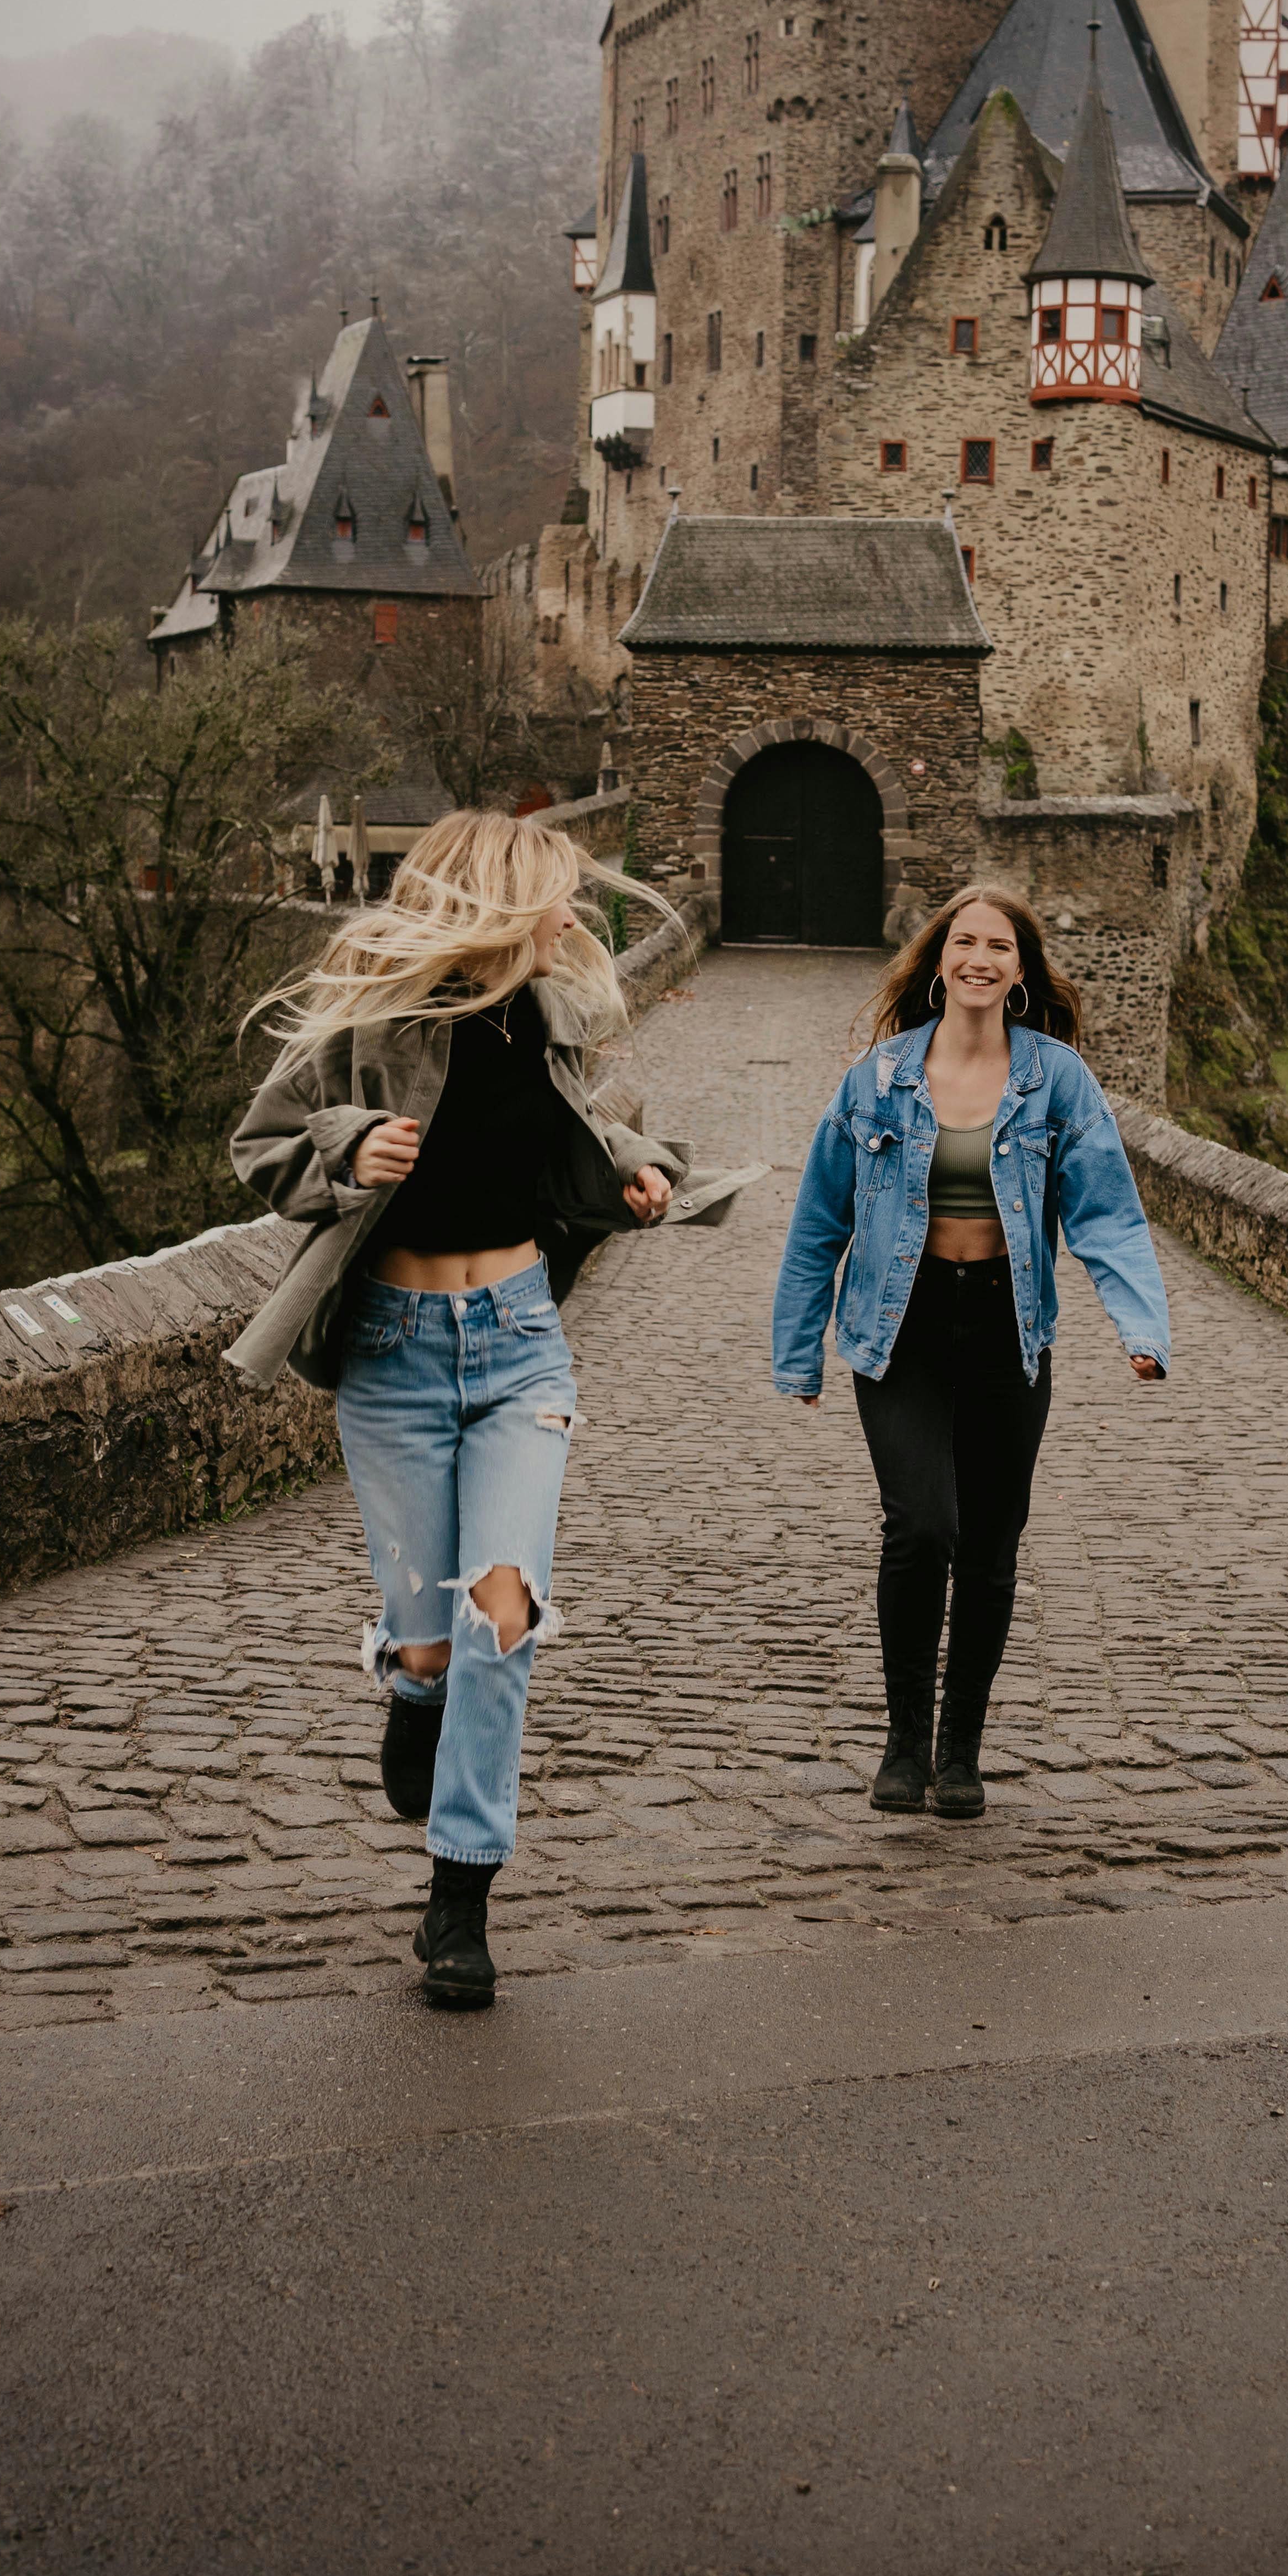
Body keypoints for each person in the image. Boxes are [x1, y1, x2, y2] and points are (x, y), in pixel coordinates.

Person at [227, 808, 751, 2009]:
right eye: (555, 899)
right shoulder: (370, 1018)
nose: (573, 919)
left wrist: (640, 1165)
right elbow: (260, 1146)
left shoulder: (551, 1017)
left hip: (520, 1350)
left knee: (501, 1616)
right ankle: (412, 1688)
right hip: (392, 1360)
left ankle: (459, 1894)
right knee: (432, 1642)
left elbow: (575, 1128)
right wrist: (349, 1147)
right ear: (504, 906)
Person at [772, 885, 1170, 1820]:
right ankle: (903, 1741)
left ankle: (961, 1752)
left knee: (990, 1549)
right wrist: (799, 1353)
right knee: (923, 1527)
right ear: (940, 959)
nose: (981, 957)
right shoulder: (877, 1078)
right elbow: (819, 1220)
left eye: (999, 944)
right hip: (898, 1329)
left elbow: (1108, 1210)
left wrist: (1139, 1328)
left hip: (1004, 1330)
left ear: (1021, 968)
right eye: (965, 941)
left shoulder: (1057, 1078)